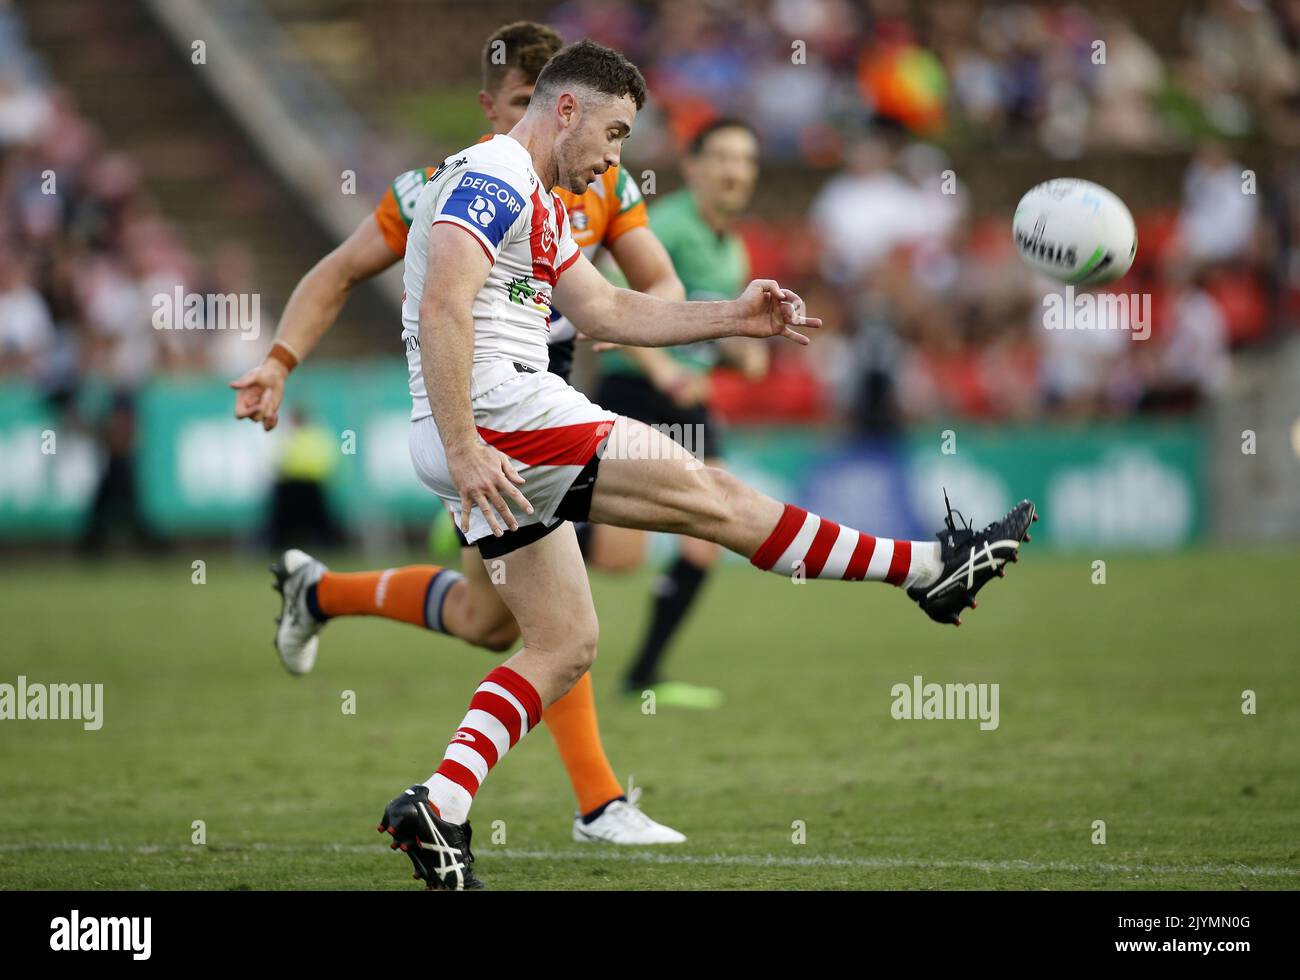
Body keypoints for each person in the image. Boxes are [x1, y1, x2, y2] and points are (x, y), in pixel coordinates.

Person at [362, 39, 1035, 890]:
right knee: (712, 496)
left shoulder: (526, 190)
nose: (615, 158)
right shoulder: (495, 174)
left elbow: (604, 307)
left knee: (564, 642)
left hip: (484, 427)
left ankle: (441, 804)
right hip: (502, 416)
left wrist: (735, 317)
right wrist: (465, 444)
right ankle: (930, 570)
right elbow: (440, 302)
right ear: (564, 109)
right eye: (612, 133)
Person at [232, 22, 685, 846]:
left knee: (497, 622)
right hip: (485, 422)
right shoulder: (441, 190)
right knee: (557, 618)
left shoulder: (602, 185)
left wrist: (625, 320)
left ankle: (319, 593)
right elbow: (337, 272)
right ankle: (597, 802)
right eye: (523, 102)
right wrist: (278, 358)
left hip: (557, 412)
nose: (546, 126)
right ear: (497, 105)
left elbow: (655, 280)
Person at [591, 117, 766, 708]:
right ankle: (517, 513)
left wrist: (739, 356)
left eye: (744, 159)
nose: (733, 169)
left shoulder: (733, 247)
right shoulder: (667, 227)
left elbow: (706, 333)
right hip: (636, 390)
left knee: (701, 541)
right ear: (691, 167)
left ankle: (644, 673)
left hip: (688, 399)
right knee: (620, 559)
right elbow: (611, 304)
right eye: (720, 156)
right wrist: (664, 371)